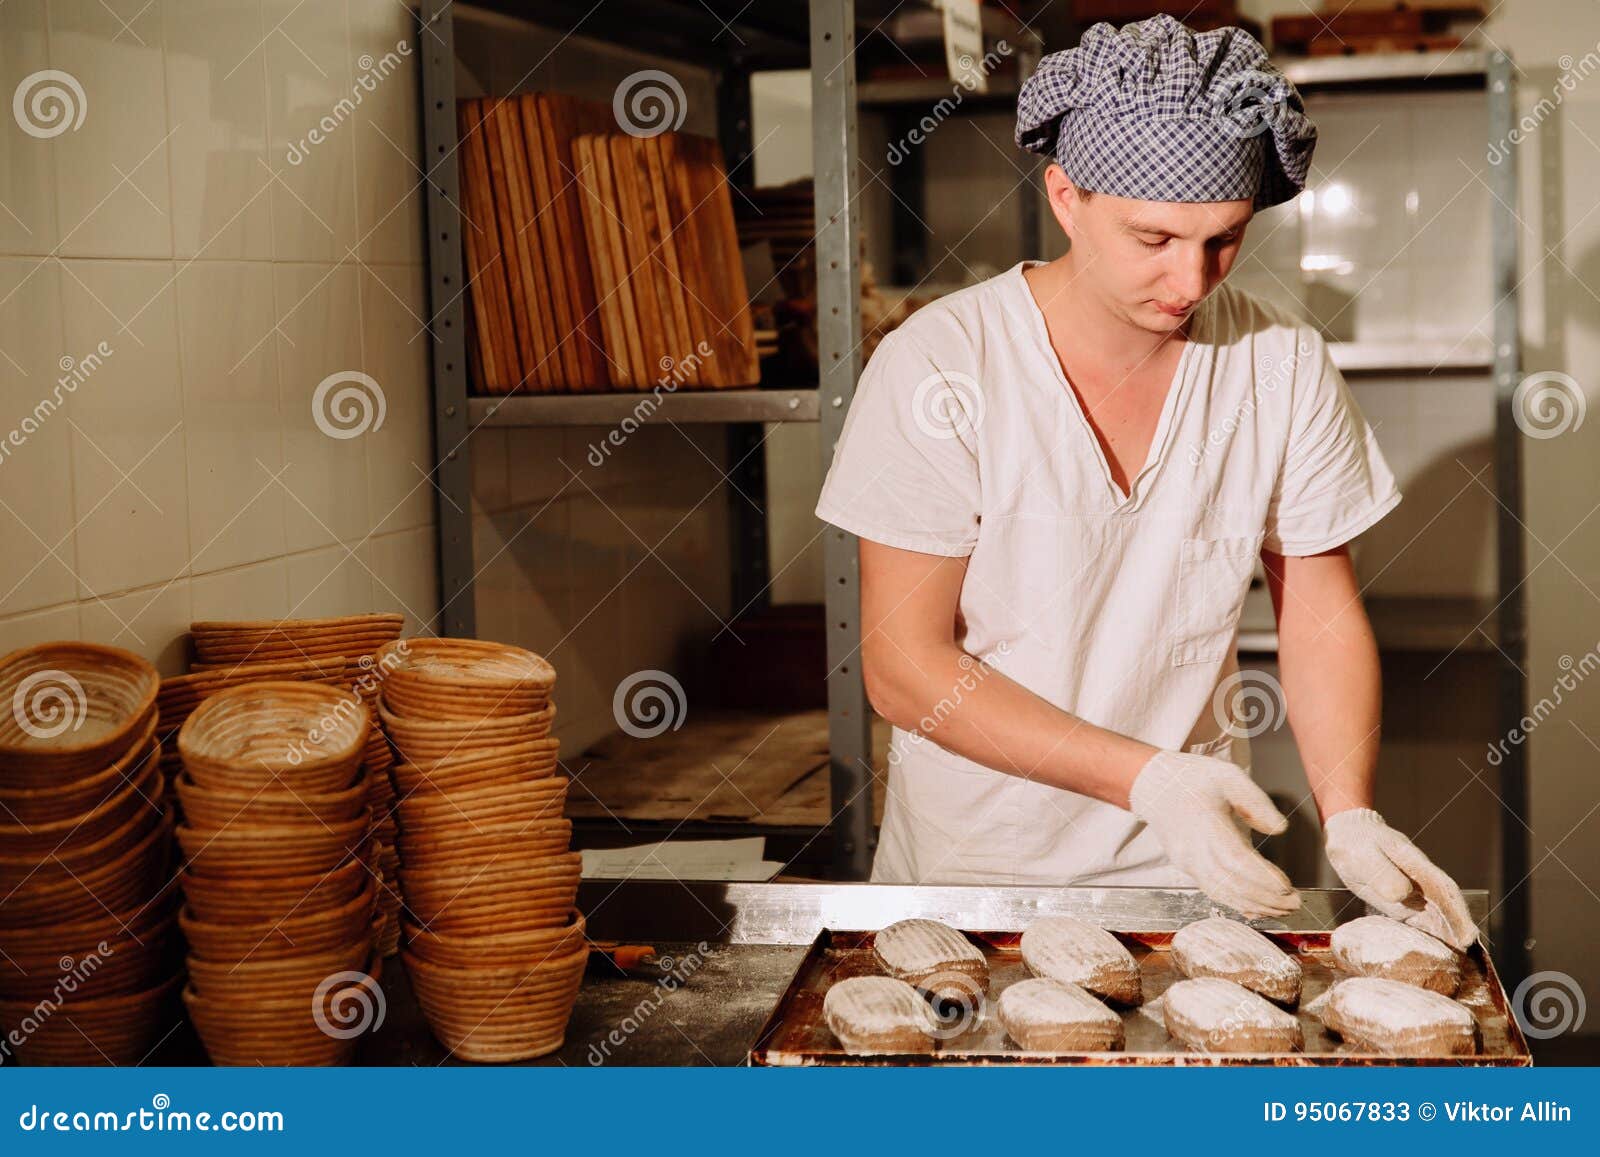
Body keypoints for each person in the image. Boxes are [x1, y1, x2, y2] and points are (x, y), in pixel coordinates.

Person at [814, 14, 1475, 948]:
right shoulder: (942, 366)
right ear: (1065, 195)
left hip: (1191, 884)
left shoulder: (1278, 365)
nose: (1190, 279)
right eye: (1153, 237)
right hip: (973, 883)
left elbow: (1319, 615)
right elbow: (904, 668)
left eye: (1224, 240)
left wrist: (1350, 811)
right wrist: (1147, 777)